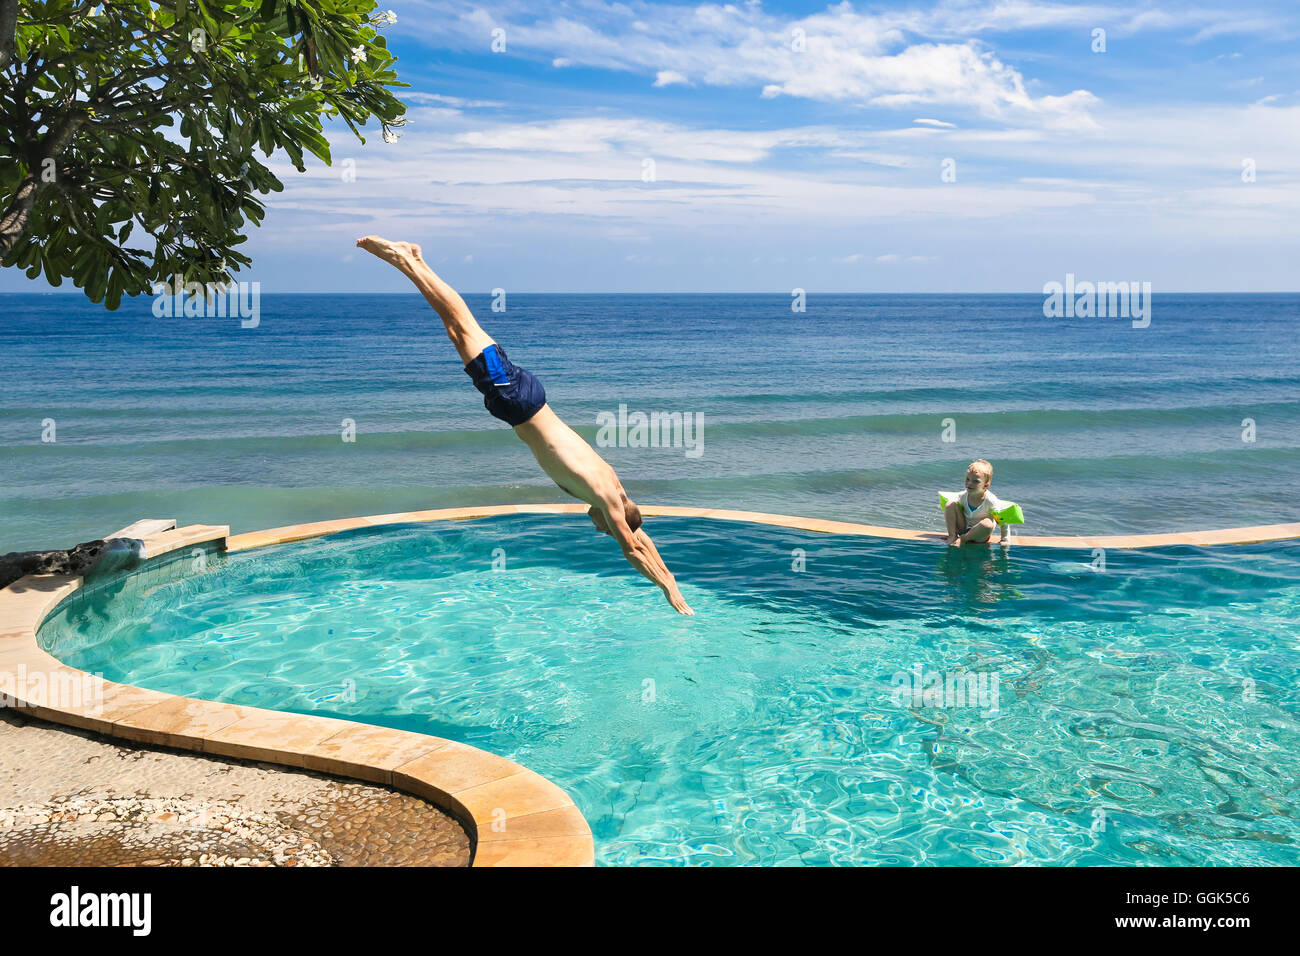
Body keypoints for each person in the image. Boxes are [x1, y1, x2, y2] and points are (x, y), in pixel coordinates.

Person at [356, 236, 694, 615]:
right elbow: (631, 546)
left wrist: (671, 574)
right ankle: (407, 260)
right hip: (517, 400)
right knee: (461, 325)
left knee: (457, 329)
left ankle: (414, 261)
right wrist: (666, 588)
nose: (600, 528)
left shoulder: (615, 490)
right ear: (614, 517)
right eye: (605, 527)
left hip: (523, 400)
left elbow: (638, 535)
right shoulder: (605, 495)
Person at [942, 459, 1011, 547]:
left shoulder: (991, 500)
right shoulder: (963, 496)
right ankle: (952, 536)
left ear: (986, 485)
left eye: (976, 481)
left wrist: (1005, 539)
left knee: (988, 524)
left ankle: (963, 539)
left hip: (980, 535)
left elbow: (1002, 520)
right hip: (963, 528)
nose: (969, 483)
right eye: (967, 479)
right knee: (950, 504)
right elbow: (951, 511)